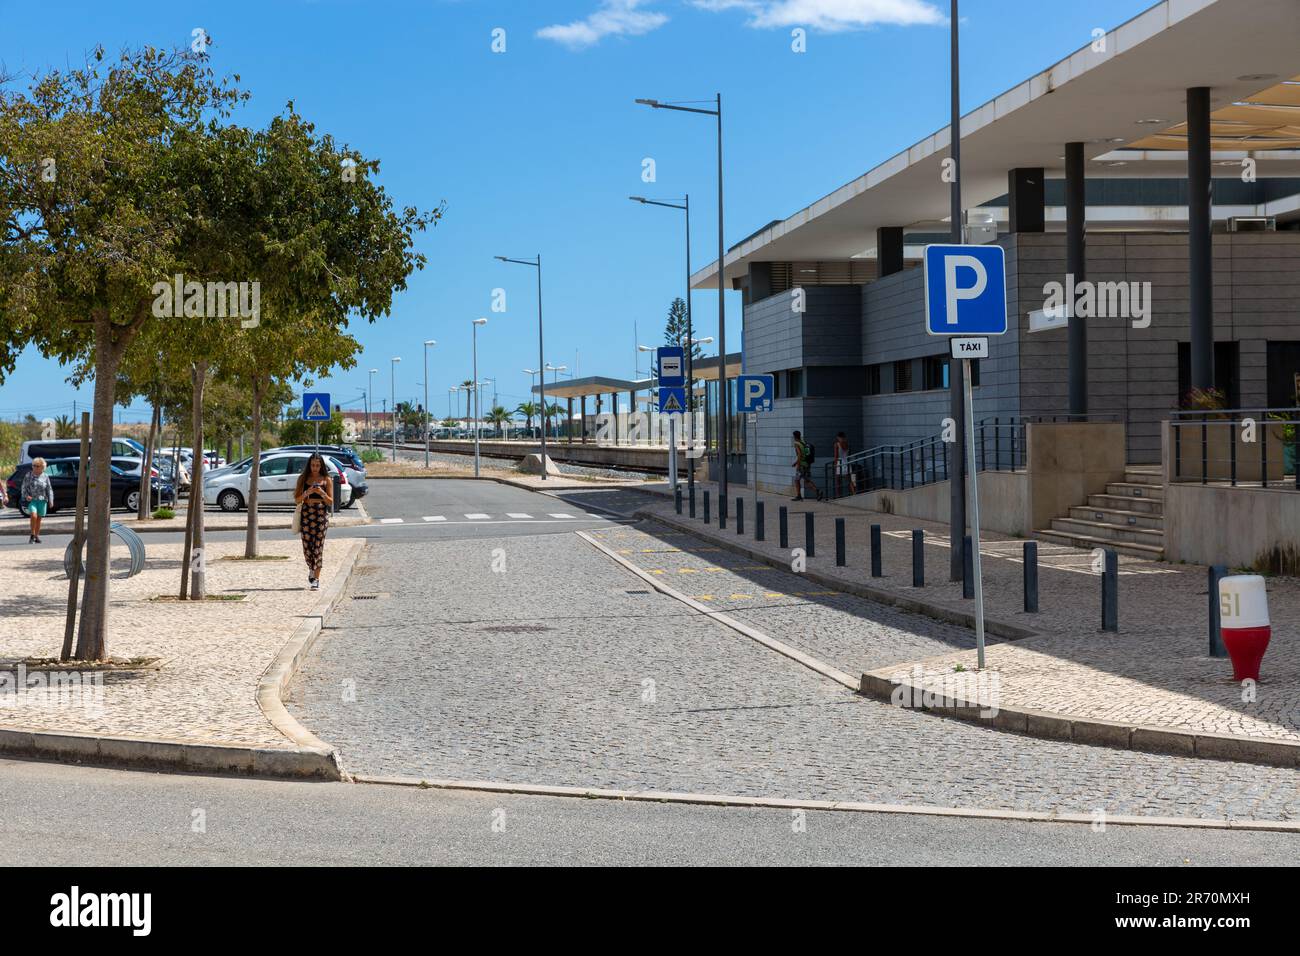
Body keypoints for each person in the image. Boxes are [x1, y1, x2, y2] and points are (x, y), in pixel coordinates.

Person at [293, 454, 333, 590]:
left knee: (318, 546)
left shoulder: (327, 479)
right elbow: (297, 500)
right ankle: (311, 567)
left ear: (321, 466)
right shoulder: (303, 479)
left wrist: (321, 492)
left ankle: (316, 579)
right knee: (307, 547)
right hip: (306, 514)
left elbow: (330, 501)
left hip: (321, 515)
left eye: (317, 465)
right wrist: (307, 492)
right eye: (312, 465)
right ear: (309, 465)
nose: (315, 468)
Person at [21, 457, 54, 543]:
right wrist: (26, 495)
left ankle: (36, 536)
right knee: (33, 515)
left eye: (37, 466)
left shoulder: (45, 476)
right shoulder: (28, 475)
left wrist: (51, 500)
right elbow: (24, 487)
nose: (35, 467)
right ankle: (32, 535)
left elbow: (49, 489)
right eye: (33, 465)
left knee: (38, 519)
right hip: (32, 500)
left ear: (42, 467)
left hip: (42, 500)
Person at [791, 431, 823, 502]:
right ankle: (817, 491)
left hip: (801, 465)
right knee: (806, 481)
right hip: (807, 464)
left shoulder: (796, 444)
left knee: (797, 480)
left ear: (794, 436)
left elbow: (799, 455)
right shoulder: (803, 442)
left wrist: (796, 464)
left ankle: (799, 496)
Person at [833, 431, 856, 498]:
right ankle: (854, 493)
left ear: (838, 437)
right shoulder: (847, 444)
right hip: (847, 462)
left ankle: (839, 496)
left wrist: (835, 465)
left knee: (838, 481)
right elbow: (849, 454)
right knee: (850, 480)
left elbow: (836, 456)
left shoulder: (836, 444)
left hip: (840, 463)